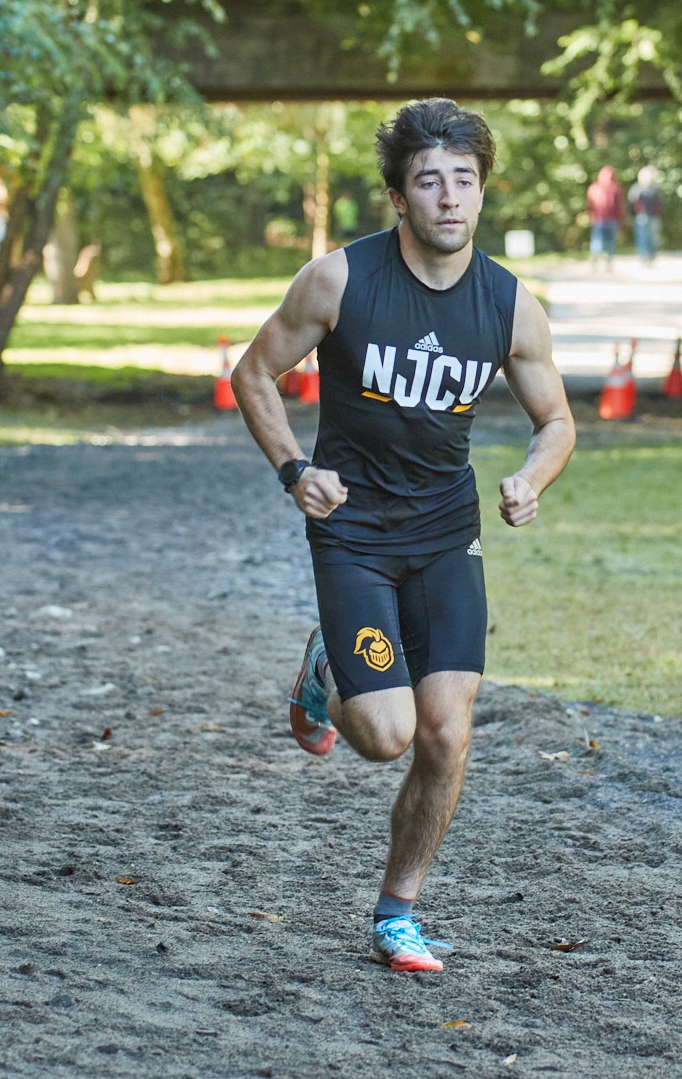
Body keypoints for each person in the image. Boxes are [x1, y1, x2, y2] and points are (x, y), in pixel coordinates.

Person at [232, 98, 575, 974]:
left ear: (483, 191)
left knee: (446, 733)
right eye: (429, 181)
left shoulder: (507, 303)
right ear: (398, 197)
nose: (449, 198)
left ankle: (397, 912)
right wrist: (291, 469)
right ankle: (327, 669)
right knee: (385, 732)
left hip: (445, 533)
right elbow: (255, 372)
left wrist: (530, 479)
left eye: (464, 180)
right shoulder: (339, 281)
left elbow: (557, 420)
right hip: (352, 533)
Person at [585, 165, 624, 271]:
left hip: (598, 219)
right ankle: (609, 262)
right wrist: (620, 221)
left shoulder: (594, 187)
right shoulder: (615, 188)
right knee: (610, 241)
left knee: (597, 241)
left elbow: (589, 205)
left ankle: (595, 258)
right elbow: (619, 207)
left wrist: (590, 216)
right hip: (611, 219)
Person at [628, 165, 664, 266]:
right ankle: (645, 257)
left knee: (651, 238)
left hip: (652, 216)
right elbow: (632, 203)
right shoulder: (637, 188)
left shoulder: (653, 189)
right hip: (642, 217)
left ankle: (650, 257)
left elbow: (660, 204)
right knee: (644, 237)